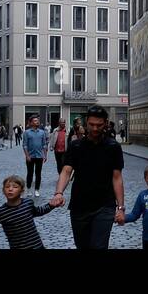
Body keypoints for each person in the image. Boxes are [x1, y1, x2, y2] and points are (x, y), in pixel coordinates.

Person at [49, 105, 124, 250]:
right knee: (82, 245)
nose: (95, 128)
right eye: (92, 125)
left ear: (106, 123)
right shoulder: (76, 146)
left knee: (99, 246)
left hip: (105, 206)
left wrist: (120, 207)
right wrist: (59, 193)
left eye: (99, 125)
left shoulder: (113, 147)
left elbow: (117, 177)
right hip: (79, 206)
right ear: (86, 123)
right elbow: (66, 171)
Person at [0, 175, 59, 249]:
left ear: (21, 191)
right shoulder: (1, 212)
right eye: (7, 187)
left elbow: (38, 211)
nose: (10, 189)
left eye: (15, 187)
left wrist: (51, 205)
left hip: (37, 246)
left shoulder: (28, 203)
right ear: (3, 190)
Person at [21, 116, 48, 194]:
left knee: (38, 173)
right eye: (35, 121)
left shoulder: (42, 132)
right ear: (31, 123)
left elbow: (44, 144)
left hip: (39, 156)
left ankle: (37, 189)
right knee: (30, 173)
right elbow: (25, 145)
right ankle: (29, 188)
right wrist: (27, 155)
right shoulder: (27, 132)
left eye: (37, 120)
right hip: (30, 156)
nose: (37, 122)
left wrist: (45, 155)